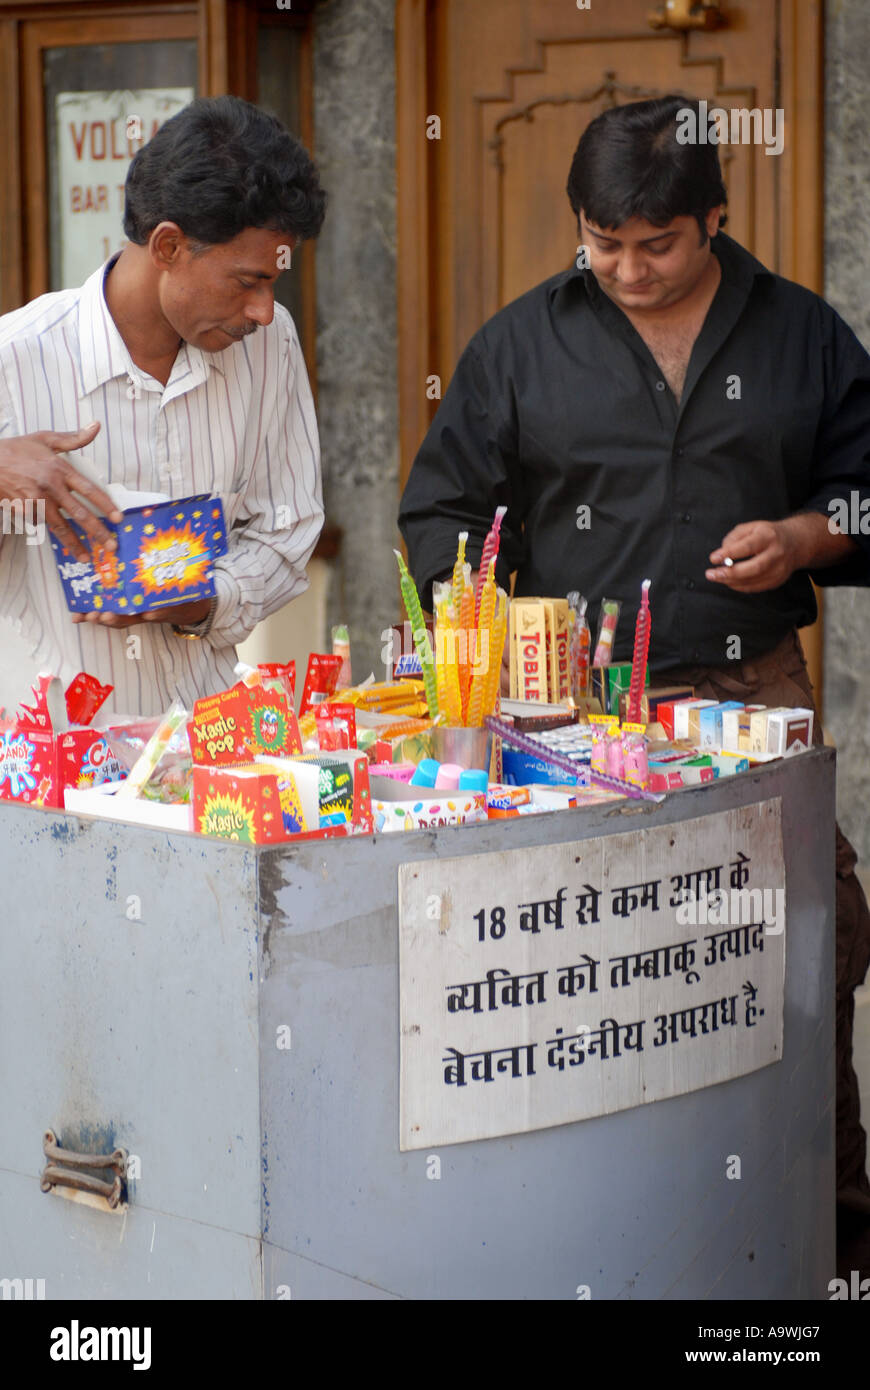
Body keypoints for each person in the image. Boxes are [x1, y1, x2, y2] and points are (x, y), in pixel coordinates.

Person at [399, 96, 870, 1219]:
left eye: (654, 244)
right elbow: (443, 512)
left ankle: (824, 1203)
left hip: (751, 691)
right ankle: (617, 1212)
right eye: (601, 243)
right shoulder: (520, 343)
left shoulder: (801, 335)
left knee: (809, 932)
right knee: (603, 948)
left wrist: (805, 537)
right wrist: (501, 649)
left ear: (713, 219)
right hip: (570, 710)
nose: (626, 268)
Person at [0, 95, 326, 715]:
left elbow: (287, 530)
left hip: (208, 755)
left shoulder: (270, 344)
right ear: (169, 246)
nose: (263, 310)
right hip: (52, 771)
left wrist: (204, 601)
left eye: (274, 281)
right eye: (248, 280)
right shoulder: (14, 358)